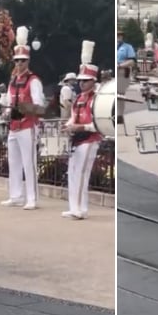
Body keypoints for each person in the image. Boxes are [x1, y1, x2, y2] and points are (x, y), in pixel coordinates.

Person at [0, 26, 45, 210]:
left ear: (28, 61)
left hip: (27, 124)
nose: (19, 64)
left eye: (22, 61)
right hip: (13, 124)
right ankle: (16, 195)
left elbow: (39, 104)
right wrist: (6, 110)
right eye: (17, 61)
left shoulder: (33, 80)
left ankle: (32, 197)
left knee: (29, 161)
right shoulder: (12, 81)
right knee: (14, 161)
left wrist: (25, 108)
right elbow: (8, 100)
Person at [62, 41, 103, 219]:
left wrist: (80, 127)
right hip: (77, 138)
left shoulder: (97, 99)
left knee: (81, 173)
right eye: (80, 81)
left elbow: (99, 123)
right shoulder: (78, 97)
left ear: (93, 81)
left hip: (90, 138)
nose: (82, 84)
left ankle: (79, 208)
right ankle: (75, 206)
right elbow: (73, 116)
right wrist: (68, 126)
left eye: (86, 81)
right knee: (72, 172)